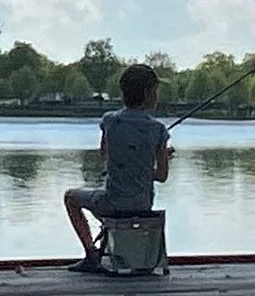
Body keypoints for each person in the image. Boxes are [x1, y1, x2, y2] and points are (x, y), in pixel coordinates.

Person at [63, 63, 174, 273]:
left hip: (112, 204)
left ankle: (91, 254)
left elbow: (105, 153)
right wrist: (160, 158)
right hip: (142, 206)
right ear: (148, 94)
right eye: (156, 91)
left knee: (70, 197)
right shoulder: (158, 129)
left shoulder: (110, 121)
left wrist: (132, 161)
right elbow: (161, 175)